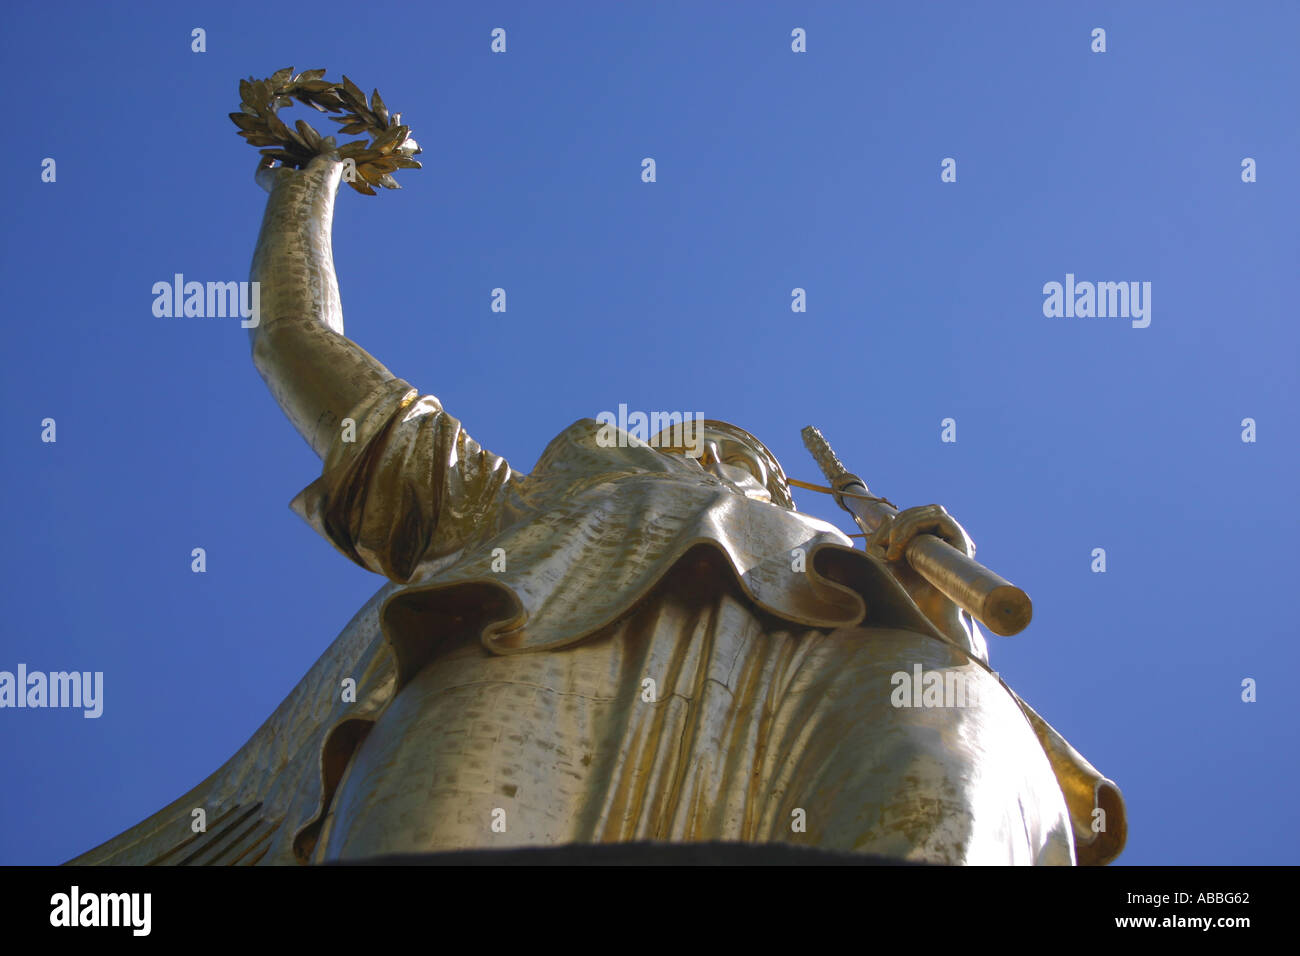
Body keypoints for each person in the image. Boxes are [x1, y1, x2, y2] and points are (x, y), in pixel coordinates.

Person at [69, 155, 1125, 866]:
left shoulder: (855, 566)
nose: (714, 451)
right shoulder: (509, 509)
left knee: (951, 804)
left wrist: (933, 582)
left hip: (839, 651)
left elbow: (969, 659)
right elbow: (293, 340)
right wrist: (308, 181)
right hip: (526, 633)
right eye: (688, 438)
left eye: (738, 451)